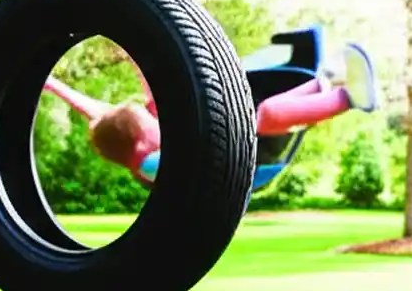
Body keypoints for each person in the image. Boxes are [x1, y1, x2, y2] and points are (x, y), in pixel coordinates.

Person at [42, 37, 377, 186]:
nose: (156, 119)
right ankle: (349, 97)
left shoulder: (140, 143)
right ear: (141, 144)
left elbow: (99, 111)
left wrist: (51, 83)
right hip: (245, 167)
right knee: (267, 113)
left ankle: (326, 81)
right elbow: (159, 102)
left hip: (245, 147)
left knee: (264, 110)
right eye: (149, 123)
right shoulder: (151, 163)